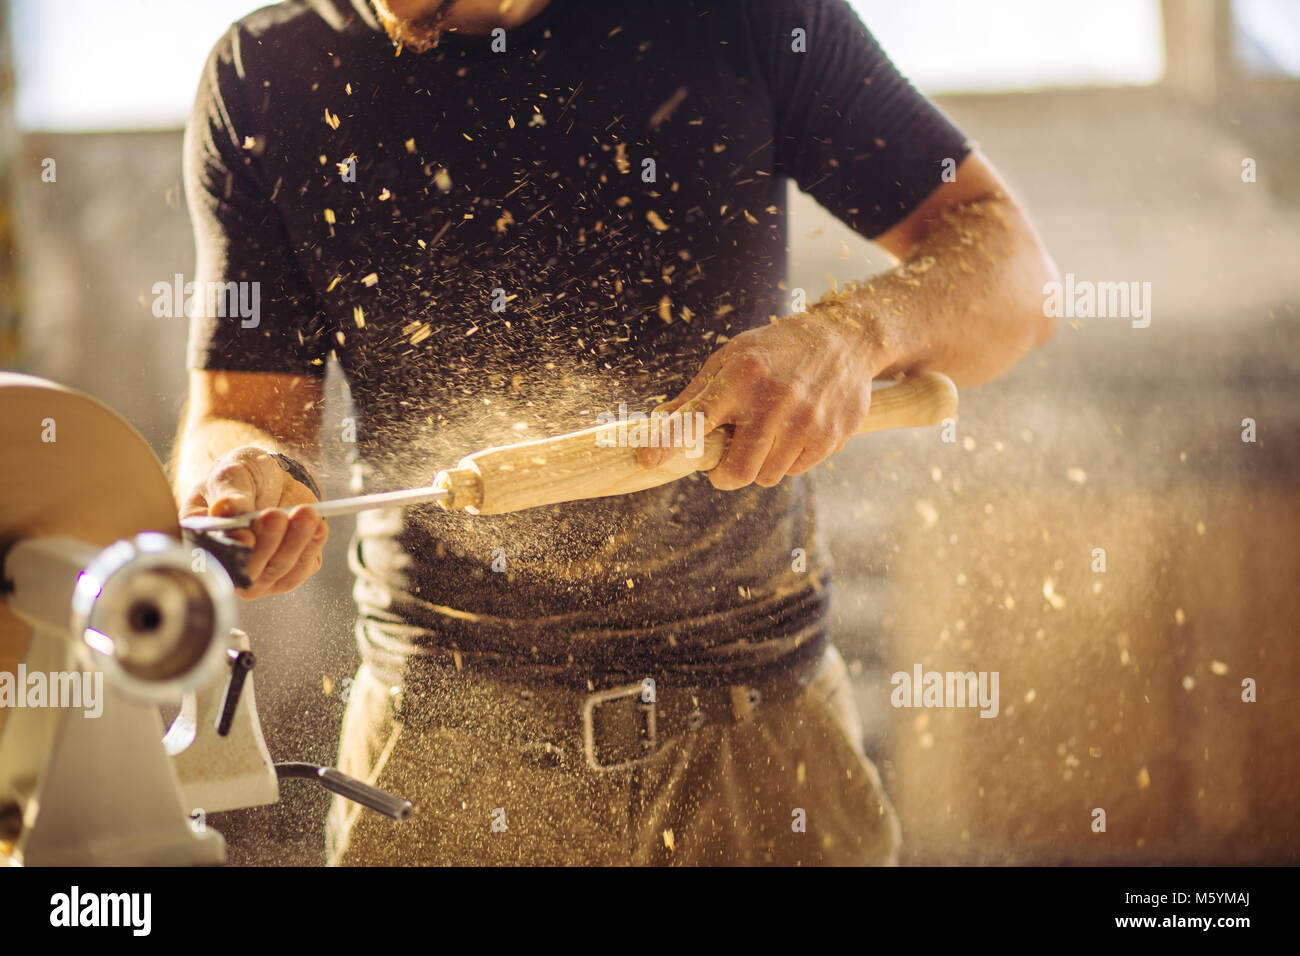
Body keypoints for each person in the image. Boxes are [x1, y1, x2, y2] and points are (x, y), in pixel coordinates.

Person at [173, 0, 1057, 865]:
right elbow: (239, 417)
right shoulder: (266, 74)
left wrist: (853, 337)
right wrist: (239, 476)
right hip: (442, 750)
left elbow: (1015, 271)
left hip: (757, 742)